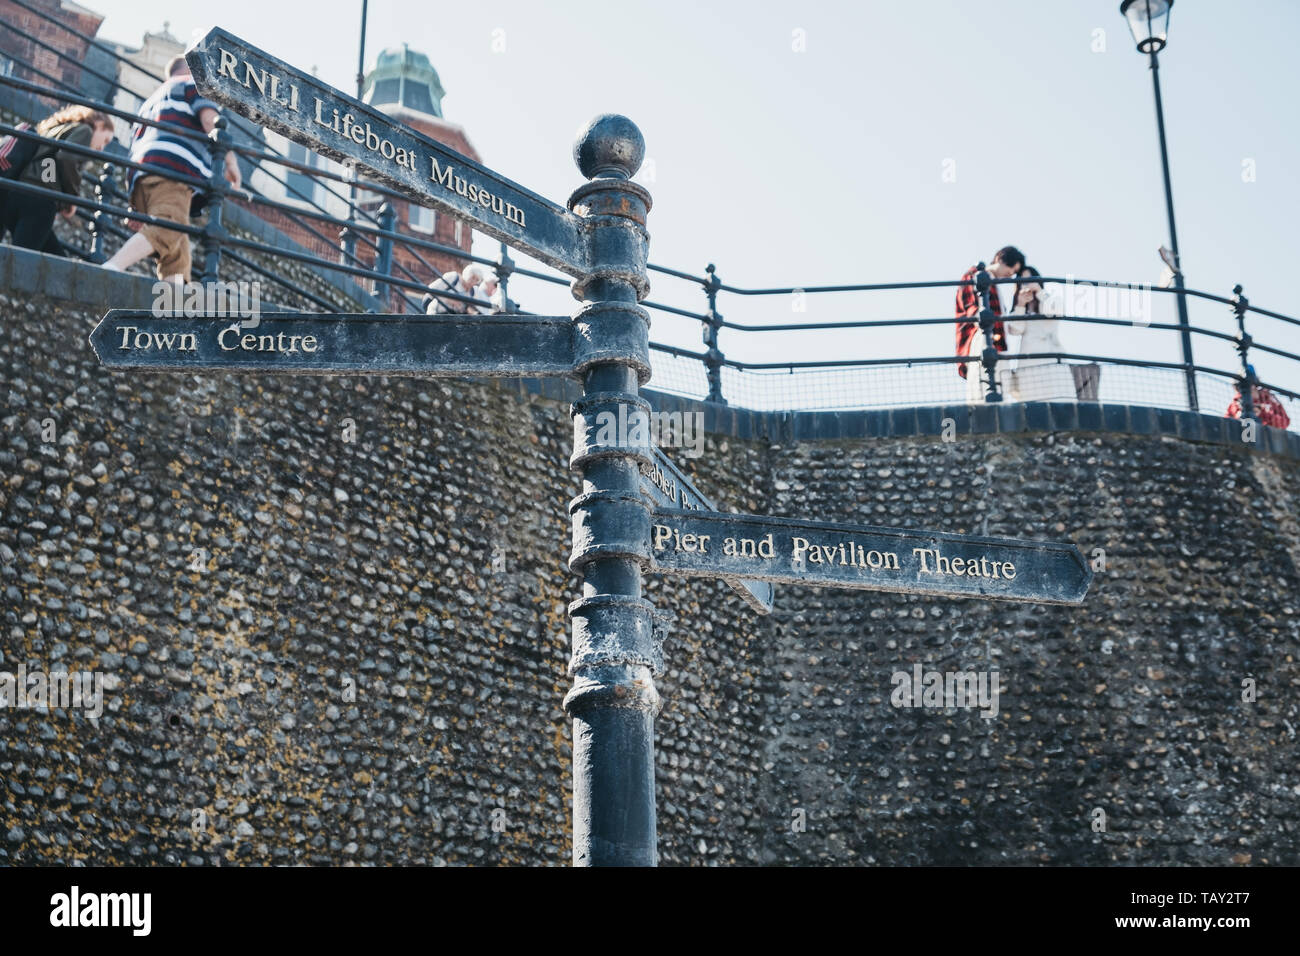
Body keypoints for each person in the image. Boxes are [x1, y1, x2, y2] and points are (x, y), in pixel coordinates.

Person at [102, 54, 240, 282]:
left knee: (177, 253)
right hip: (173, 171)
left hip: (143, 175)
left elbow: (136, 144)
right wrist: (231, 162)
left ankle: (174, 309)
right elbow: (212, 123)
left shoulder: (150, 102)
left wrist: (134, 204)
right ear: (192, 69)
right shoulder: (191, 83)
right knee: (169, 227)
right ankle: (112, 267)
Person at [0, 105, 115, 256]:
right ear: (99, 123)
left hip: (17, 196)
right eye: (105, 140)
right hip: (40, 202)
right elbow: (67, 158)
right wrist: (71, 198)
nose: (101, 148)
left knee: (55, 257)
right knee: (20, 261)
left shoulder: (55, 128)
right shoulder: (85, 130)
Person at [956, 246, 1023, 403]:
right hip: (981, 341)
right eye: (1011, 267)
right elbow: (971, 309)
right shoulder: (975, 275)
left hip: (994, 345)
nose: (1011, 273)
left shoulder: (993, 286)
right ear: (1000, 259)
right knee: (982, 388)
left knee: (993, 388)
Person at [1003, 265, 1075, 402]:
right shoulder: (1019, 308)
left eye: (1030, 279)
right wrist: (1020, 305)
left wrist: (1040, 292)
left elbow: (1057, 310)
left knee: (1059, 401)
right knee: (1033, 404)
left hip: (1051, 359)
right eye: (1023, 282)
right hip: (1029, 362)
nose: (1027, 284)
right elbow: (1015, 329)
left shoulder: (1049, 298)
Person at [1226, 366, 1291, 429]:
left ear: (1255, 382)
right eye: (1240, 385)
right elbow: (1227, 425)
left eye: (1248, 382)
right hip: (1244, 437)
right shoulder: (1234, 404)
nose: (1244, 387)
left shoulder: (1269, 398)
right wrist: (1239, 417)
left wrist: (1262, 413)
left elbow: (1285, 422)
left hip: (1268, 438)